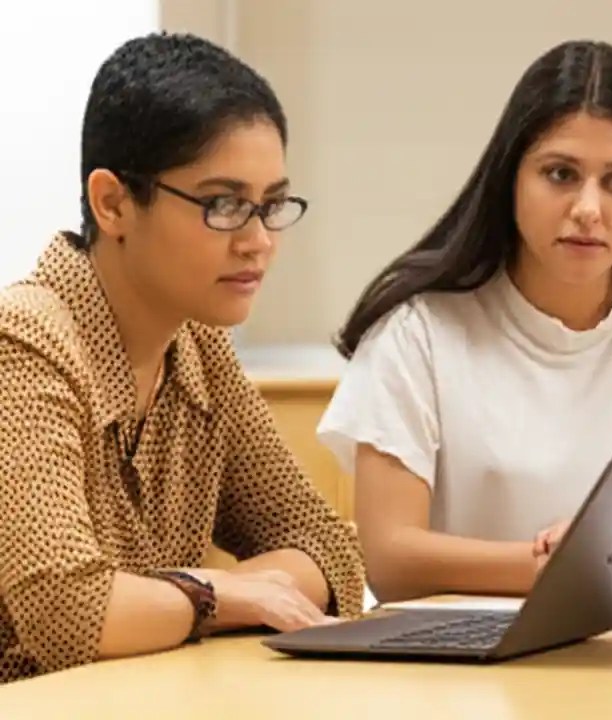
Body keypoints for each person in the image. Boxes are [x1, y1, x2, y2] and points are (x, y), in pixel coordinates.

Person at [317, 39, 612, 602]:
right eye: (561, 174)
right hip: (460, 665)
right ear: (511, 180)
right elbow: (390, 557)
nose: (589, 209)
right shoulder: (420, 326)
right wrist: (564, 567)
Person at [0, 33, 365, 684]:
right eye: (223, 205)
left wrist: (166, 601)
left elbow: (331, 548)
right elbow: (68, 611)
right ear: (113, 203)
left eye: (271, 205)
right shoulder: (24, 344)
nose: (259, 243)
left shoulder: (197, 345)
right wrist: (215, 595)